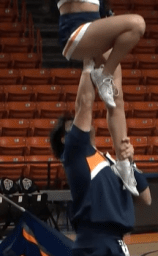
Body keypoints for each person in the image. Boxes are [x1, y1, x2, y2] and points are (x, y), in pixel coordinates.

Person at [49, 0, 145, 194]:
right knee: (136, 25)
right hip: (75, 36)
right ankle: (102, 72)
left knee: (116, 99)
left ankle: (124, 162)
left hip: (95, 38)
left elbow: (103, 15)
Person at [49, 66, 152, 255]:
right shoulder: (74, 152)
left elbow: (146, 198)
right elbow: (85, 103)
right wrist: (89, 62)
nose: (82, 122)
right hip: (93, 243)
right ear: (66, 138)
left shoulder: (110, 160)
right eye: (74, 123)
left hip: (117, 244)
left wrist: (130, 160)